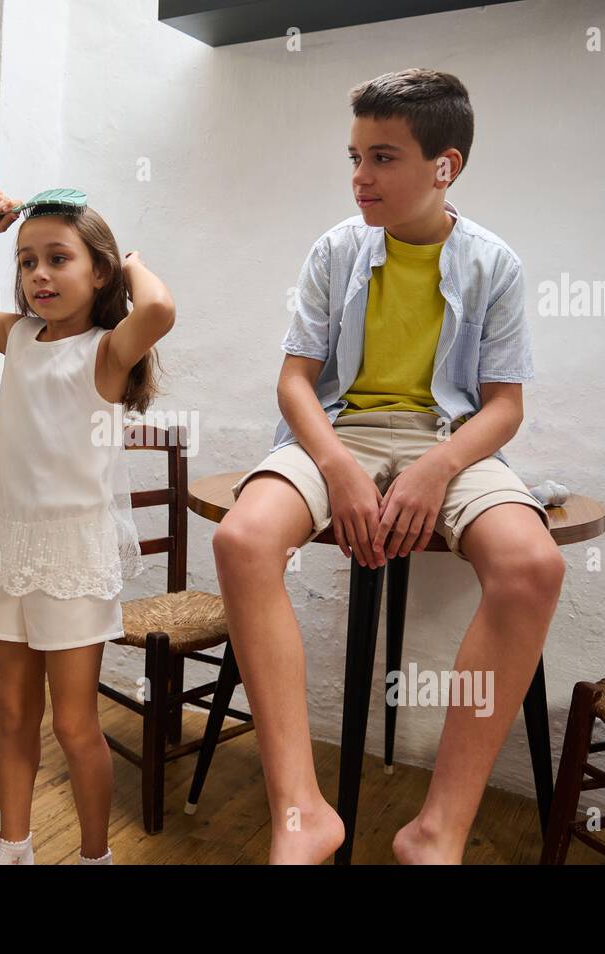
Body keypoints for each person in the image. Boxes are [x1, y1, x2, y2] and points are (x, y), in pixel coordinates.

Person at [213, 69, 565, 864]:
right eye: (354, 156)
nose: (360, 178)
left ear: (446, 166)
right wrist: (335, 464)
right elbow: (295, 382)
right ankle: (303, 814)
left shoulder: (494, 264)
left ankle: (437, 832)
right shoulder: (335, 250)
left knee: (533, 566)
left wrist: (438, 467)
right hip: (337, 431)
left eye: (383, 157)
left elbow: (505, 406)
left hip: (449, 438)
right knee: (242, 542)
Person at [0, 189, 175, 864]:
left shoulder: (108, 352)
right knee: (16, 714)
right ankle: (13, 846)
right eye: (28, 262)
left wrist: (136, 261)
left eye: (58, 259)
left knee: (75, 723)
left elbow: (162, 310)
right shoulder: (16, 336)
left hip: (71, 559)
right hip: (7, 547)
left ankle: (94, 856)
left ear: (101, 272)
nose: (39, 275)